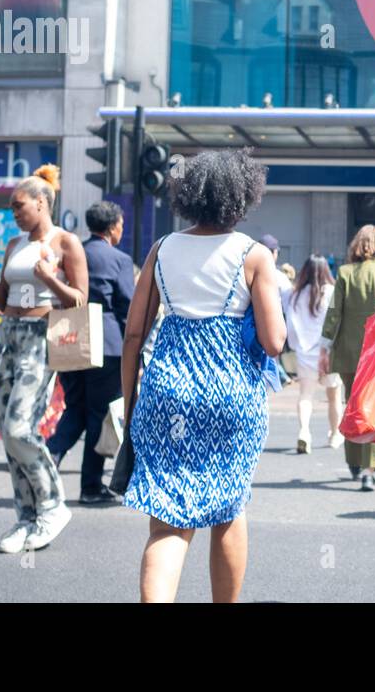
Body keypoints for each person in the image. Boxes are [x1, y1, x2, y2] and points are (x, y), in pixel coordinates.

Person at [122, 150, 286, 602]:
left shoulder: (162, 249)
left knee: (168, 525)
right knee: (228, 509)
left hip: (166, 391)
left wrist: (132, 403)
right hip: (230, 394)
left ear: (188, 195)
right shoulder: (252, 255)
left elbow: (134, 334)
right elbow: (274, 342)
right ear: (242, 196)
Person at [0, 164, 88, 553]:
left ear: (41, 201)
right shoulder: (15, 245)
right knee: (7, 432)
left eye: (19, 206)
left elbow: (80, 300)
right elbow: (2, 300)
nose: (14, 212)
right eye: (12, 207)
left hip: (41, 337)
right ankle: (26, 516)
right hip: (8, 337)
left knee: (21, 428)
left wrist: (50, 278)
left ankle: (52, 504)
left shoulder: (67, 242)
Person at [46, 201, 134, 504]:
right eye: (121, 224)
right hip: (107, 344)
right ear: (112, 227)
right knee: (98, 414)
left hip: (71, 338)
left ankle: (49, 455)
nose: (122, 229)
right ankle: (90, 486)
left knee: (77, 408)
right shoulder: (119, 260)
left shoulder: (74, 252)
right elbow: (128, 306)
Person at [319, 225, 375, 490]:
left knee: (353, 404)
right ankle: (369, 468)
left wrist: (324, 346)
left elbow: (333, 313)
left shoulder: (344, 273)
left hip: (349, 352)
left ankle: (353, 461)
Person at [286, 255, 338, 454]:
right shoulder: (332, 293)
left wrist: (296, 345)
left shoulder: (296, 295)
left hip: (305, 353)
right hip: (328, 352)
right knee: (333, 396)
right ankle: (334, 434)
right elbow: (335, 320)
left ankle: (304, 432)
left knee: (305, 395)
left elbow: (291, 324)